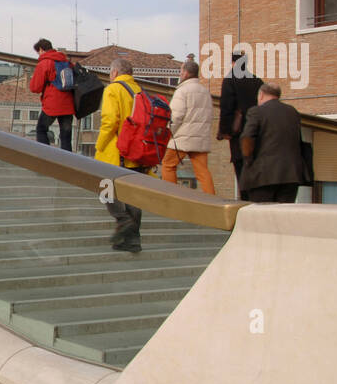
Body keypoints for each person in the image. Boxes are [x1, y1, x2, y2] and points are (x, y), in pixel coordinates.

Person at [96, 56, 151, 251]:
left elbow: (110, 121)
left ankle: (122, 219)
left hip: (116, 150)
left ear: (114, 73)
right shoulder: (140, 91)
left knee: (104, 187)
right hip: (137, 152)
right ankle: (133, 240)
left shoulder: (113, 89)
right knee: (133, 196)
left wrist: (100, 145)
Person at [239, 83, 306, 203]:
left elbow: (247, 137)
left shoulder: (256, 111)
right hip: (290, 176)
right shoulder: (293, 112)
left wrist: (248, 160)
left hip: (263, 176)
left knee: (261, 217)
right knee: (284, 217)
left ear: (261, 95)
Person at [163, 58, 216, 193]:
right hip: (200, 137)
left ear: (186, 73)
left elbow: (176, 116)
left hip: (182, 138)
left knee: (168, 165)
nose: (180, 74)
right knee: (202, 172)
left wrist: (168, 132)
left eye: (181, 72)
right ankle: (212, 202)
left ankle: (172, 196)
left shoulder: (182, 91)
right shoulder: (205, 92)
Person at [217, 49, 262, 198]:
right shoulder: (256, 80)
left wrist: (225, 131)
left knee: (240, 167)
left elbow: (226, 107)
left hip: (238, 133)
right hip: (256, 132)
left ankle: (245, 203)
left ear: (233, 62)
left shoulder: (230, 80)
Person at [29, 38, 76, 152]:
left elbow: (35, 87)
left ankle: (46, 157)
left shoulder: (45, 63)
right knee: (65, 137)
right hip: (68, 105)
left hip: (52, 104)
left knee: (41, 129)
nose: (38, 55)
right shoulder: (67, 62)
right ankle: (68, 165)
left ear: (41, 49)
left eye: (38, 52)